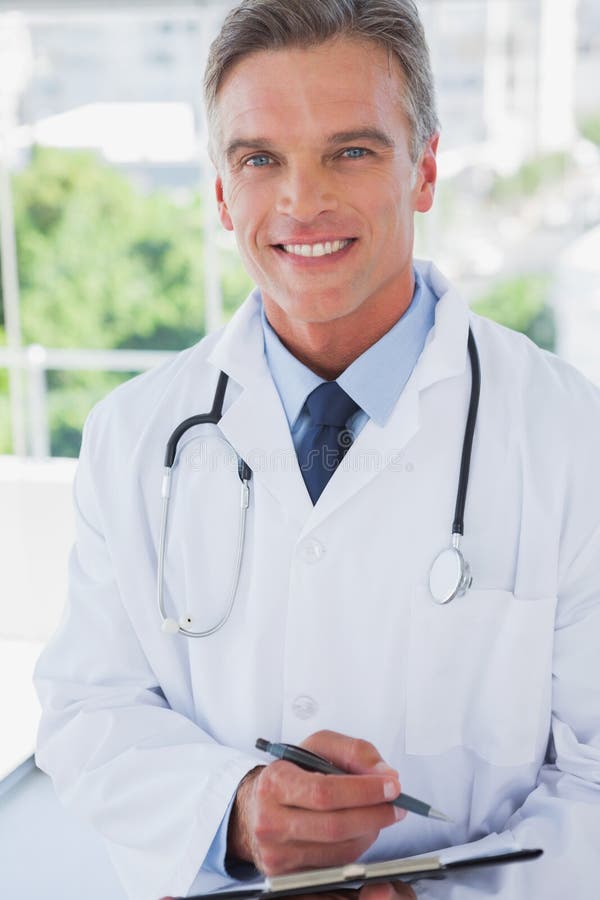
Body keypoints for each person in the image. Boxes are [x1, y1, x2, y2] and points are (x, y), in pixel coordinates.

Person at [34, 1, 600, 899]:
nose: (303, 201)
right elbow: (91, 711)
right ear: (221, 191)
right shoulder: (133, 437)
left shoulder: (570, 436)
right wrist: (236, 811)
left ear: (425, 168)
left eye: (352, 150)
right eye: (260, 159)